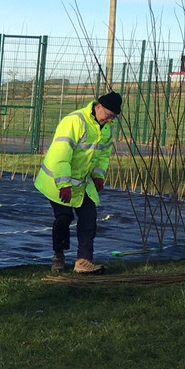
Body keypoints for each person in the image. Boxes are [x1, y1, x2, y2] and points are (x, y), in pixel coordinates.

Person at [34, 90, 122, 274]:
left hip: (82, 182)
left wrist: (98, 175)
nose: (110, 120)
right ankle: (58, 256)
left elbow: (103, 155)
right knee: (64, 218)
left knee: (89, 217)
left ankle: (84, 261)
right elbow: (61, 154)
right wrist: (64, 184)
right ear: (98, 107)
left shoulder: (107, 128)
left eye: (113, 117)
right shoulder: (74, 121)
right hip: (56, 180)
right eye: (108, 115)